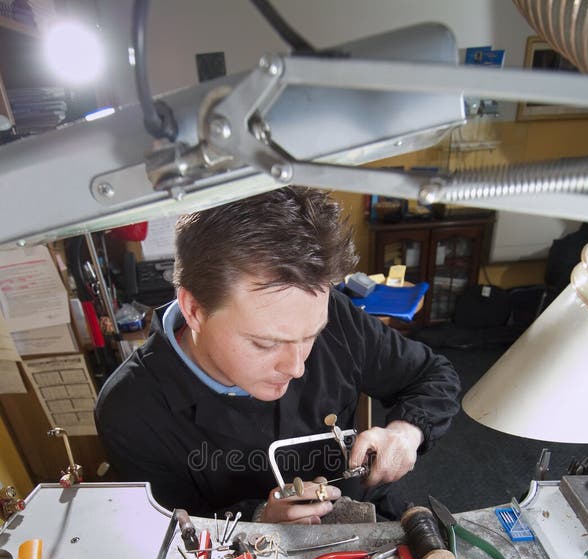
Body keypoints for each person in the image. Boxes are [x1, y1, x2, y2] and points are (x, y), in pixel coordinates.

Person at [95, 187, 461, 523]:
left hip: (364, 521)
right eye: (266, 343)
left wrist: (406, 431)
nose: (297, 368)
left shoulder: (331, 313)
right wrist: (259, 522)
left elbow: (434, 375)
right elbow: (174, 537)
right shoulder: (130, 410)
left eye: (311, 337)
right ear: (195, 310)